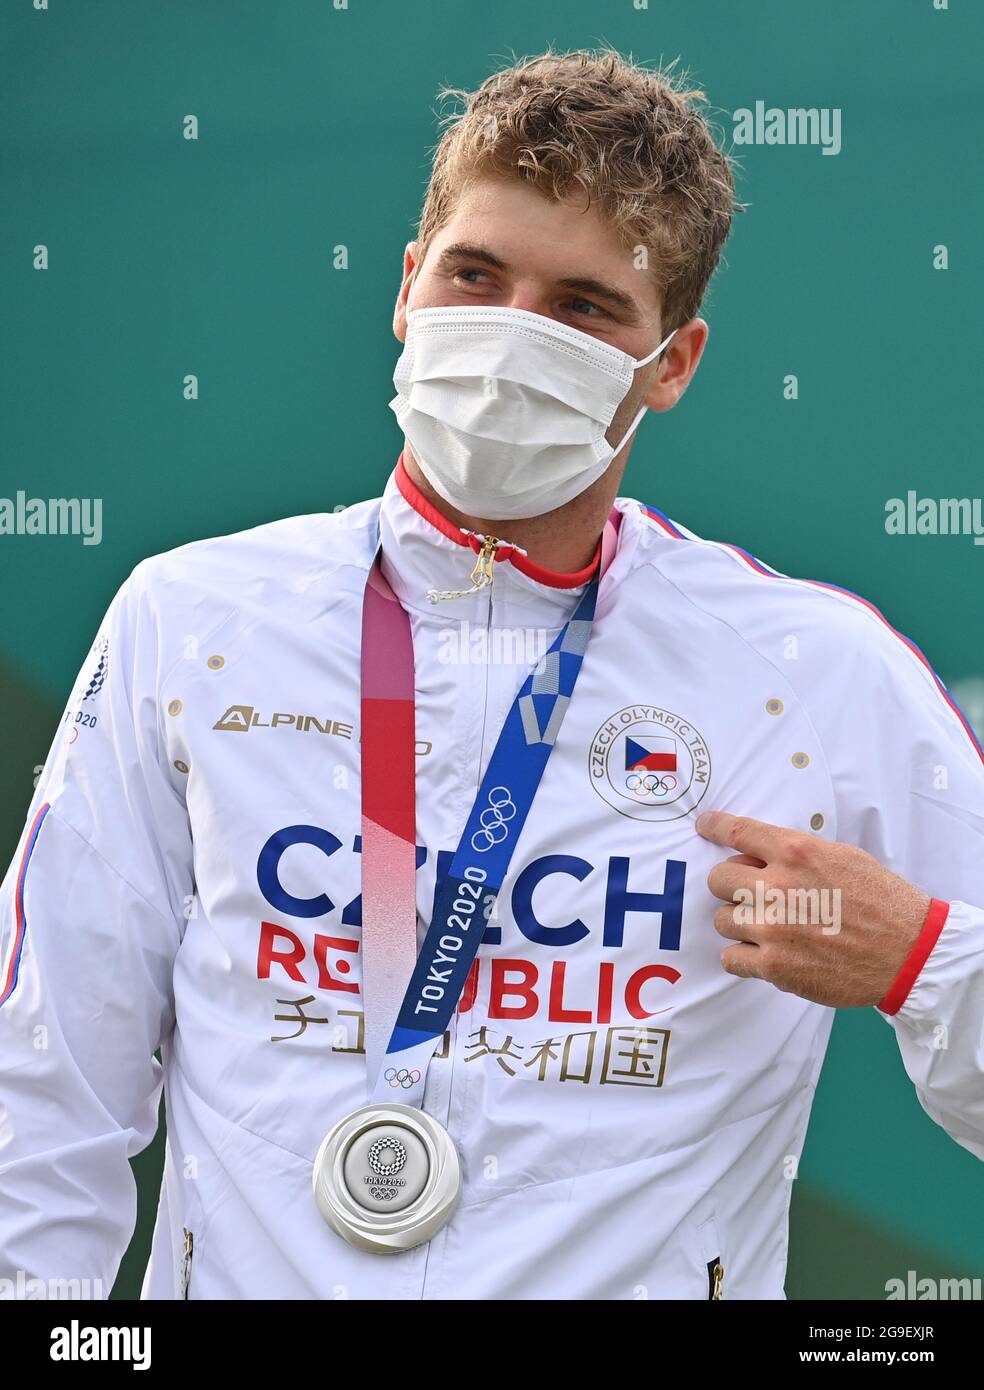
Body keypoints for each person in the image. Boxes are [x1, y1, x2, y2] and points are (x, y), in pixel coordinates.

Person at [1, 48, 982, 1303]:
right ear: (410, 289)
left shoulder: (813, 670)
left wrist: (925, 958)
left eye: (582, 306)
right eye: (478, 275)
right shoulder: (191, 617)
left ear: (671, 363)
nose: (514, 333)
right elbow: (43, 1083)